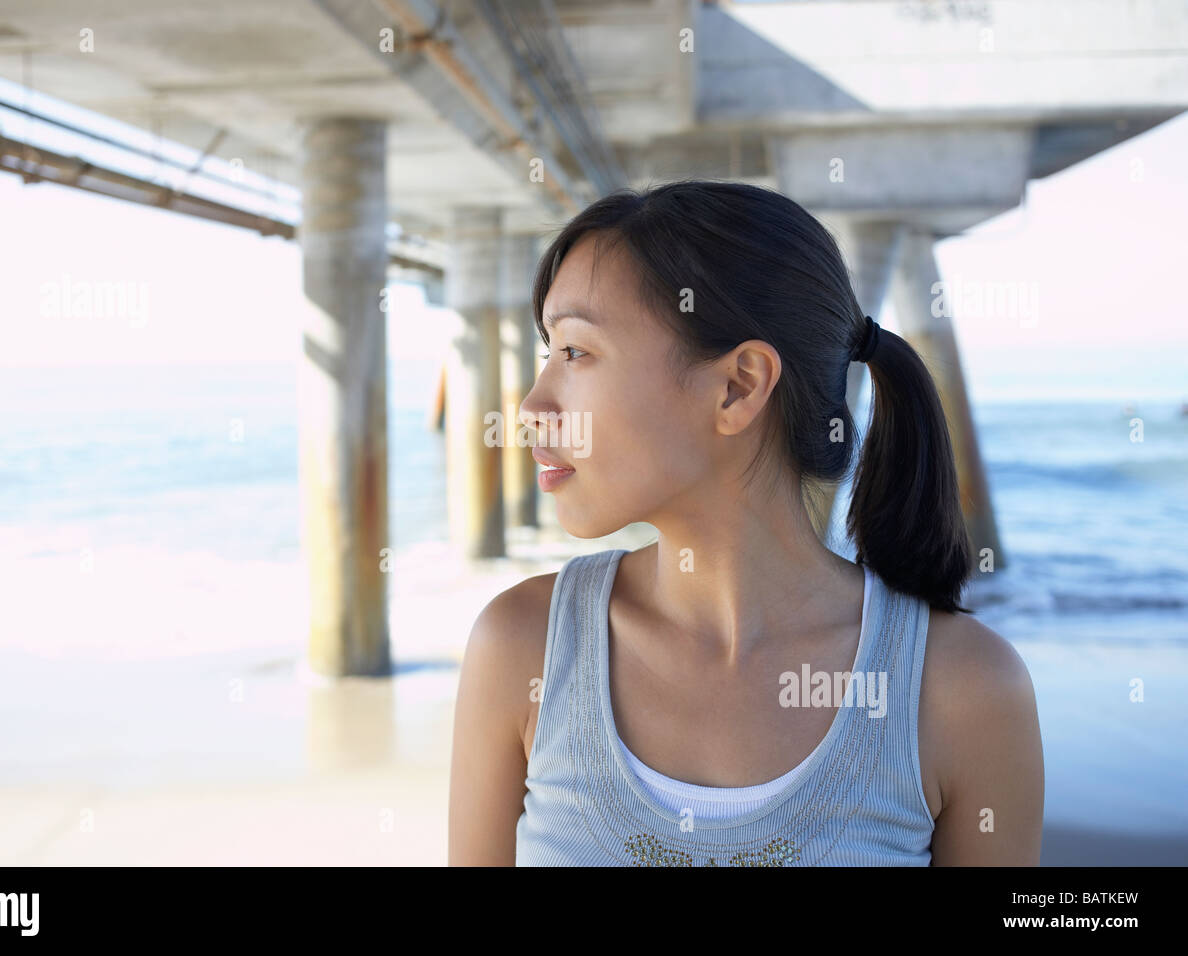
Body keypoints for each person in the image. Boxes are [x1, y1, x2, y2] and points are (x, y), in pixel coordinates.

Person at [447, 180, 1043, 866]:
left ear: (738, 386)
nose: (532, 404)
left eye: (576, 352)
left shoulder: (963, 690)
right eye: (547, 349)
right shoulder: (523, 650)